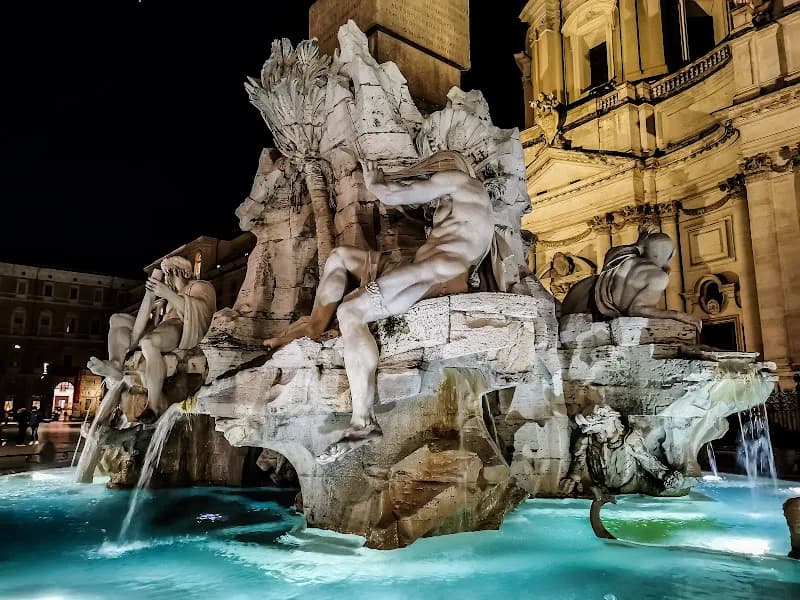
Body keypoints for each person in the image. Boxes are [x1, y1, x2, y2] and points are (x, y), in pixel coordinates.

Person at [265, 152, 496, 462]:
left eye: (435, 168)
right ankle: (316, 323)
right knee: (340, 257)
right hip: (424, 267)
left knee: (351, 311)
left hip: (437, 274)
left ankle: (363, 421)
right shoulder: (467, 205)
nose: (432, 175)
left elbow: (402, 193)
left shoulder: (462, 181)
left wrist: (376, 185)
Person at [88, 256, 216, 420]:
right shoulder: (170, 294)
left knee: (149, 342)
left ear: (185, 272)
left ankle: (154, 405)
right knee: (117, 319)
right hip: (163, 327)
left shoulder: (201, 286)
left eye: (172, 272)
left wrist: (167, 293)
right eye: (167, 273)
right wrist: (150, 296)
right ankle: (115, 364)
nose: (169, 277)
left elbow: (201, 312)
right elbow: (146, 319)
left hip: (183, 329)